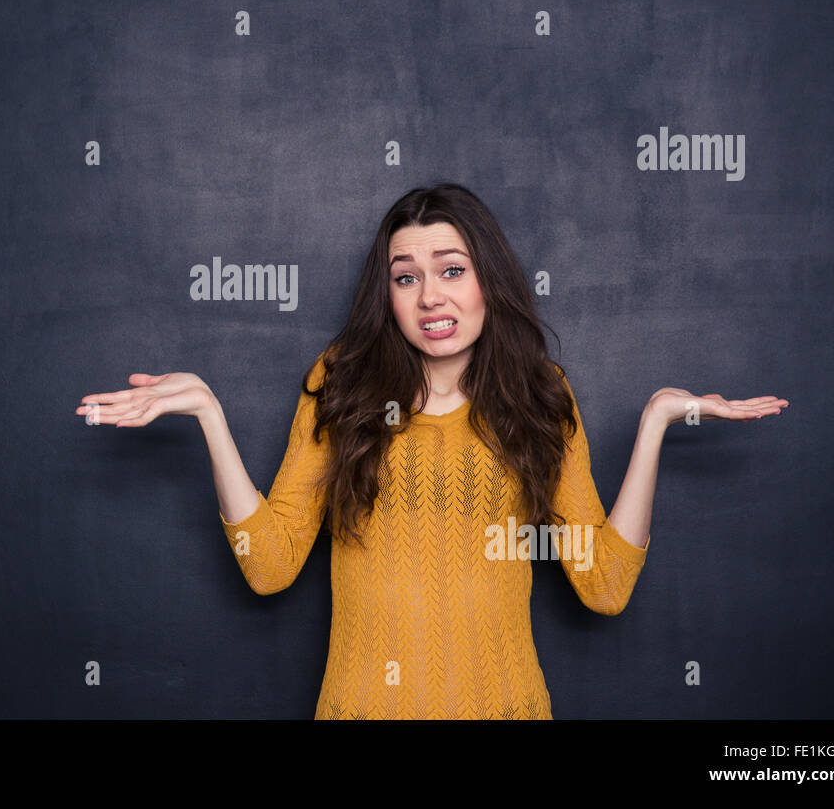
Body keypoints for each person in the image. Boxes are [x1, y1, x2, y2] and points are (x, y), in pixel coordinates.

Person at [75, 183, 787, 718]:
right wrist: (207, 409)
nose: (430, 297)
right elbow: (268, 566)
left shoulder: (541, 396)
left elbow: (604, 584)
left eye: (452, 269)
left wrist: (659, 418)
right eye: (405, 276)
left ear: (489, 281)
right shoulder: (341, 385)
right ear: (386, 294)